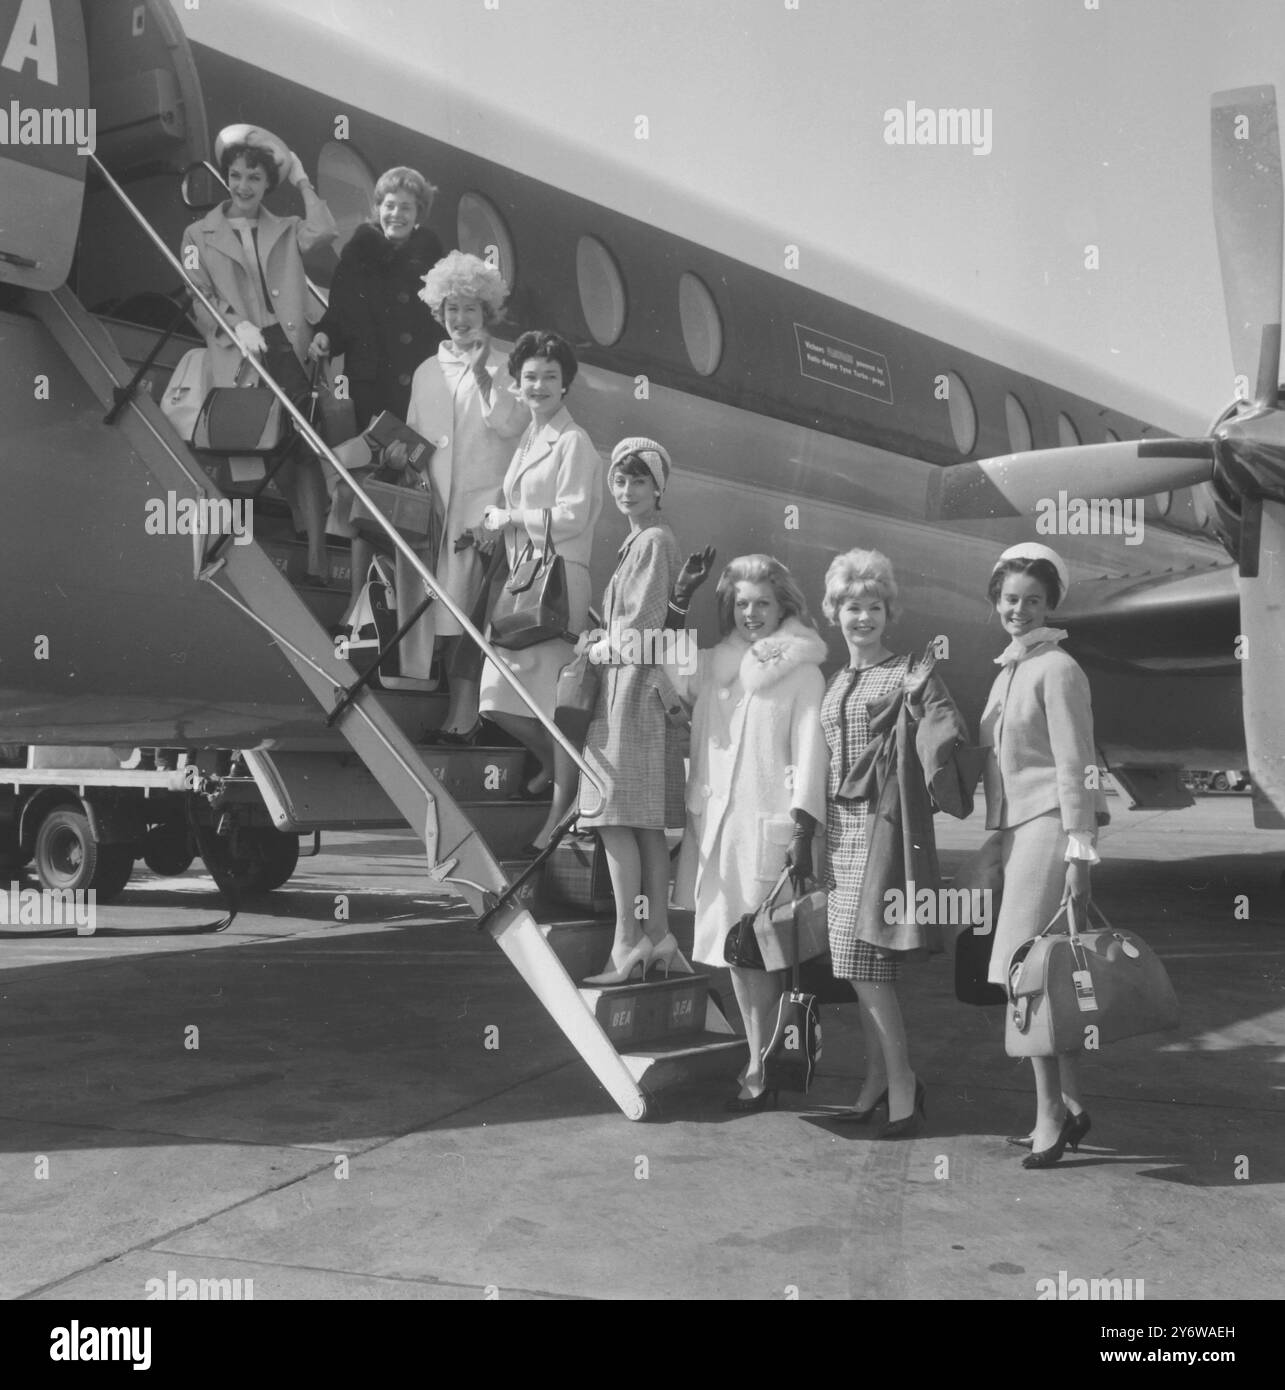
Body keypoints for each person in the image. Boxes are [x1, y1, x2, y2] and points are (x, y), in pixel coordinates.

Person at [820, 549, 969, 1138]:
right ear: (835, 612)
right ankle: (878, 1079)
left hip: (882, 830)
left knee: (866, 965)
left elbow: (945, 738)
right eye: (852, 606)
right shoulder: (836, 680)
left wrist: (921, 698)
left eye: (873, 607)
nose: (863, 617)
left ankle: (902, 1080)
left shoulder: (909, 670)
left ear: (889, 611)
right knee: (853, 964)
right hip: (838, 833)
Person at [672, 556, 828, 1112]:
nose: (751, 613)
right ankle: (760, 1057)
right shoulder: (717, 663)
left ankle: (765, 1062)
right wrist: (676, 604)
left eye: (762, 602)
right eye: (741, 603)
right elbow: (670, 673)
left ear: (783, 604)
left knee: (761, 952)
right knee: (738, 952)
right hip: (718, 828)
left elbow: (811, 753)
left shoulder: (802, 670)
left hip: (769, 829)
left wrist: (804, 827)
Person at [969, 541, 1098, 1169]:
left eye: (1033, 600)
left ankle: (1050, 1115)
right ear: (996, 600)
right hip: (1020, 832)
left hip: (1051, 828)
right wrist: (995, 840)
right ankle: (1071, 1105)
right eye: (1009, 598)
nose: (1018, 609)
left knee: (1027, 976)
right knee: (1037, 974)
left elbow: (1078, 766)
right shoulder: (1009, 670)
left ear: (1051, 605)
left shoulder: (1058, 669)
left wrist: (1081, 854)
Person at [182, 130, 337, 582]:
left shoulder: (286, 226)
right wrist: (235, 325)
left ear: (269, 183)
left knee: (302, 447)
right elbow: (198, 295)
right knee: (252, 441)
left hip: (288, 347)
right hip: (239, 350)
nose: (243, 185)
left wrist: (303, 180)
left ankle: (315, 552)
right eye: (235, 175)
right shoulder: (196, 233)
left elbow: (326, 231)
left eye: (254, 177)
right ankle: (243, 547)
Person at [479, 331, 603, 847]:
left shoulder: (574, 441)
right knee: (497, 701)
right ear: (518, 382)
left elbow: (573, 516)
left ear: (565, 385)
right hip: (524, 581)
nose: (539, 385)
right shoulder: (529, 438)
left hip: (554, 585)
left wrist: (511, 515)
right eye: (530, 376)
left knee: (555, 712)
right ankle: (559, 773)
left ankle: (559, 814)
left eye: (550, 377)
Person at [308, 167, 446, 606]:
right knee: (363, 497)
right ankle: (357, 601)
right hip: (368, 395)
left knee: (404, 500)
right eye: (389, 205)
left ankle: (394, 601)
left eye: (406, 207)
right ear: (377, 209)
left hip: (413, 400)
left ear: (418, 214)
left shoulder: (435, 264)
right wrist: (325, 335)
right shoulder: (358, 256)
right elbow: (340, 315)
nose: (396, 213)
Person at [577, 439, 687, 984]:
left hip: (629, 690)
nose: (626, 491)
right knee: (644, 825)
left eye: (638, 481)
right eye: (619, 481)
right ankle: (658, 936)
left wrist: (601, 646)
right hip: (643, 691)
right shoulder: (648, 540)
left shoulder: (649, 541)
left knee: (613, 818)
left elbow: (642, 624)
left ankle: (626, 942)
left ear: (657, 487)